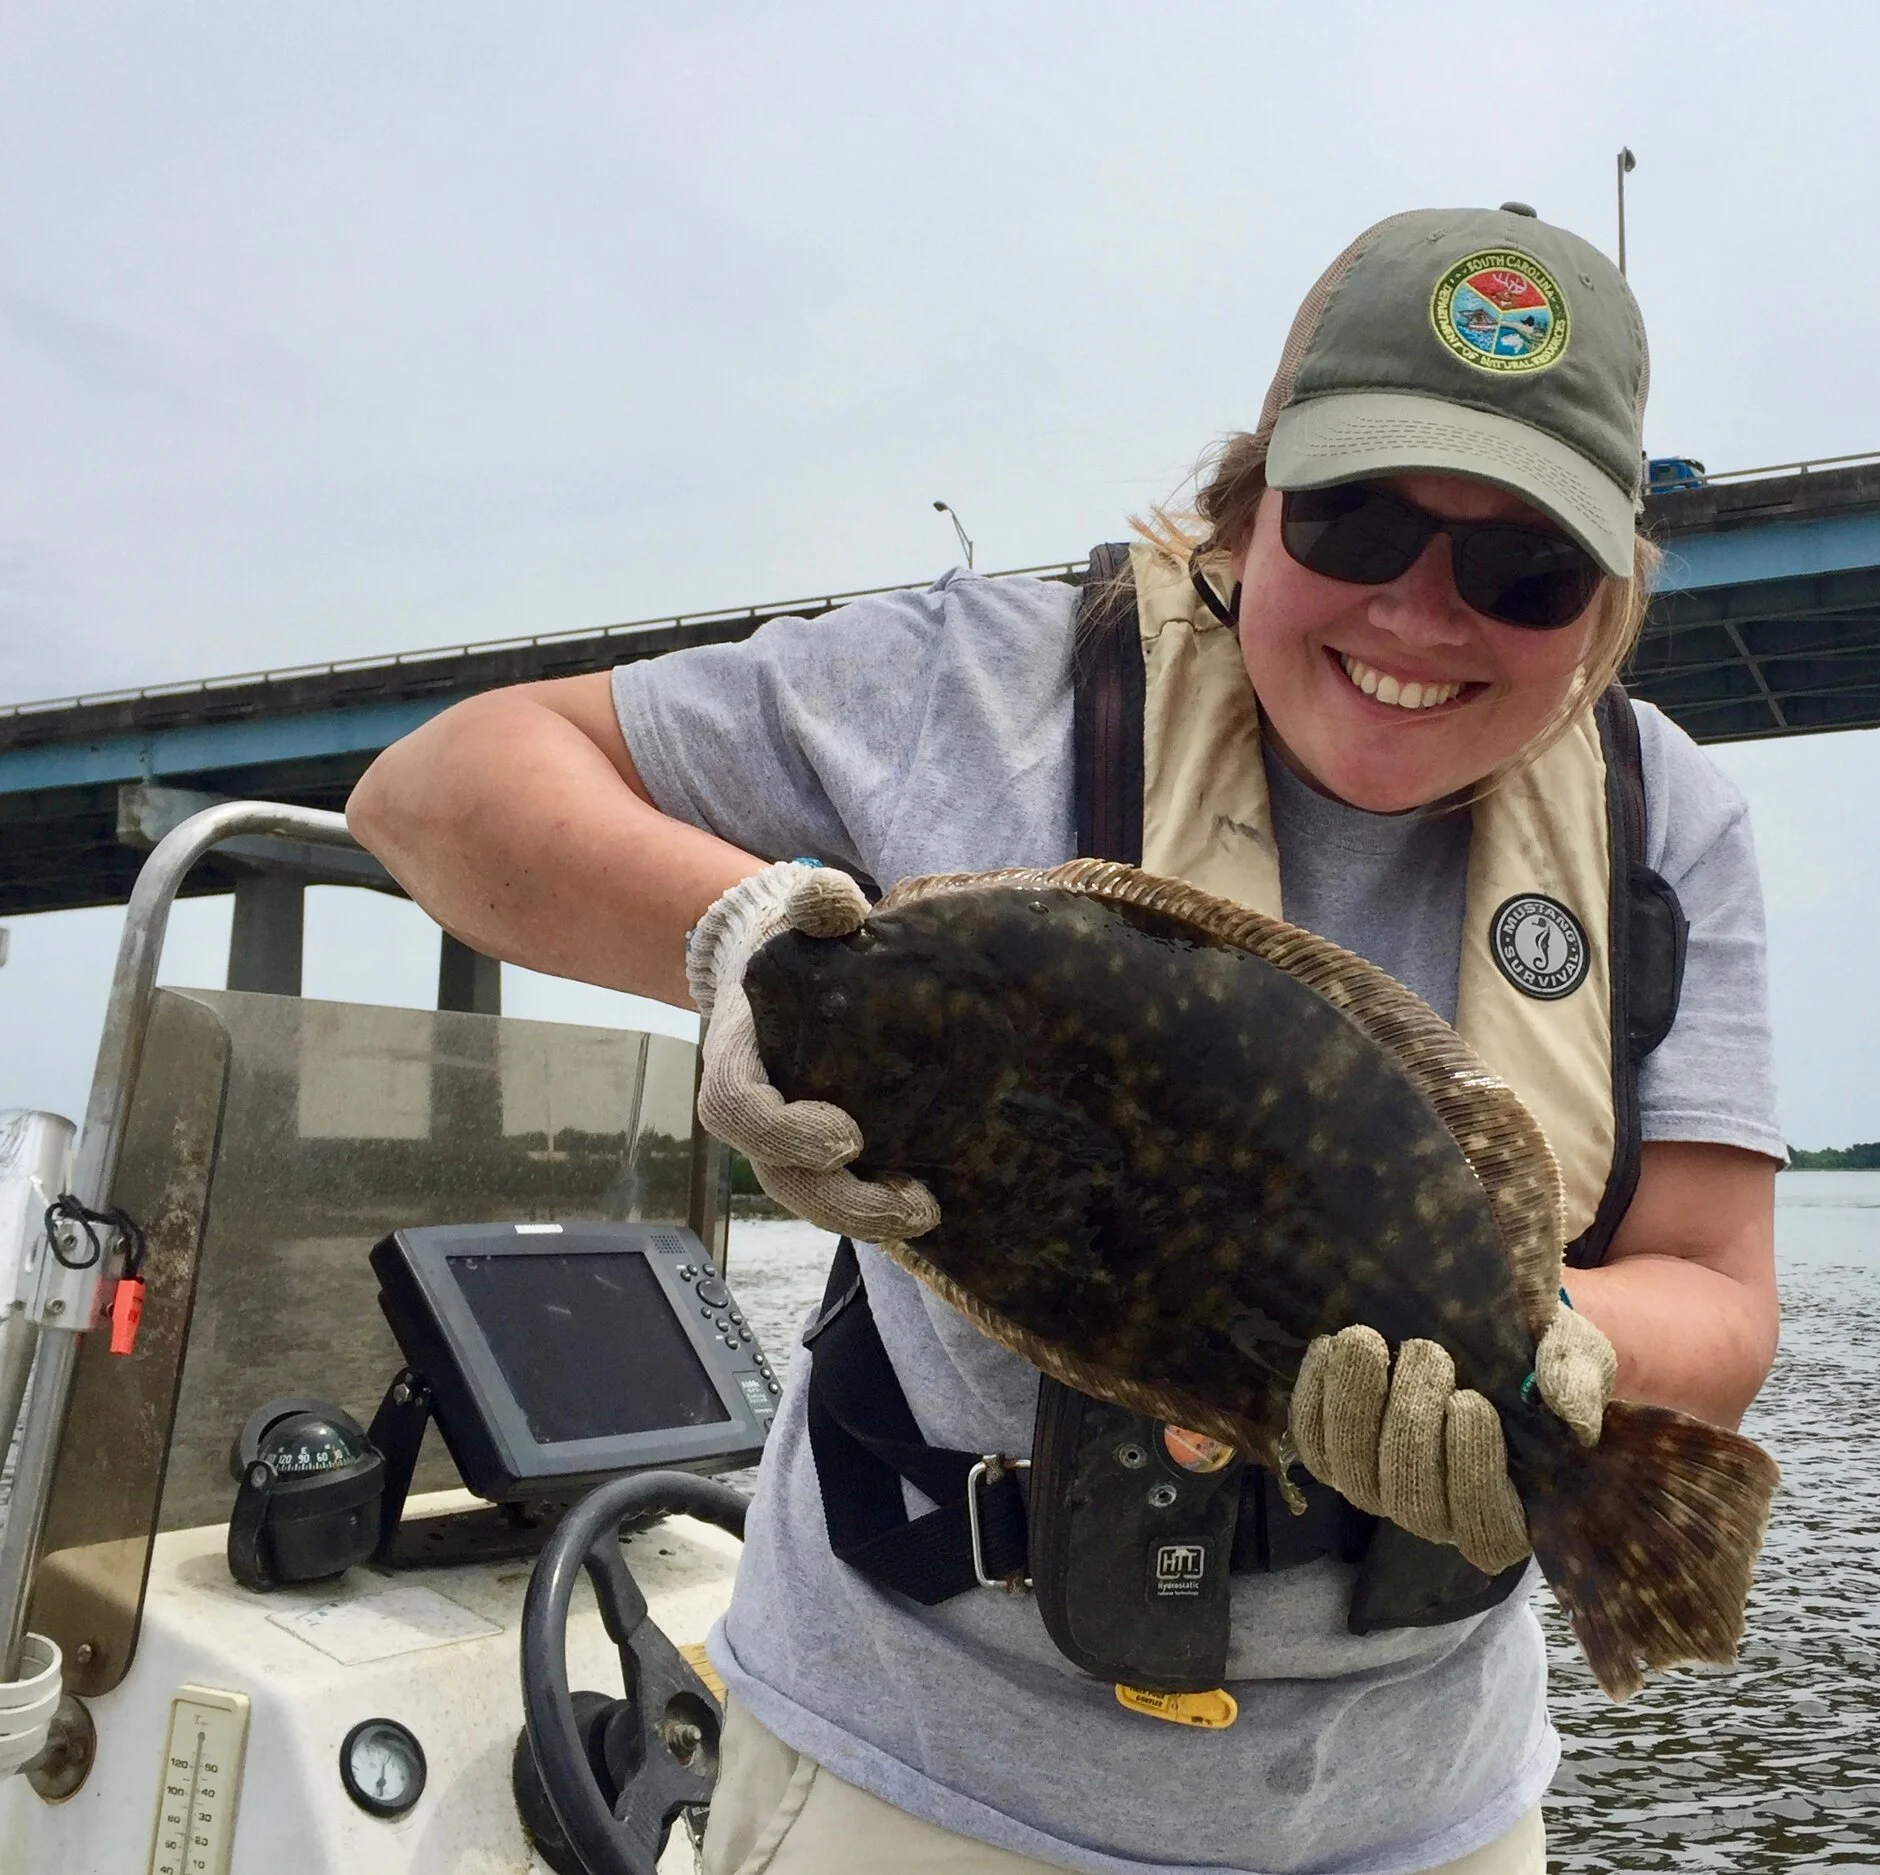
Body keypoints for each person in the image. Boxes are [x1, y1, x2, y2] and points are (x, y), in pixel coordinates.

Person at [350, 203, 1783, 1875]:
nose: (1420, 609)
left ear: (1610, 600)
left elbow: (1720, 1294)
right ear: (1247, 510)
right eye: (1355, 520)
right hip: (926, 1785)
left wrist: (1548, 1350)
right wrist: (739, 944)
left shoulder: (1662, 822)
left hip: (1430, 1815)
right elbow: (433, 795)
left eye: (1524, 567)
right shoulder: (972, 686)